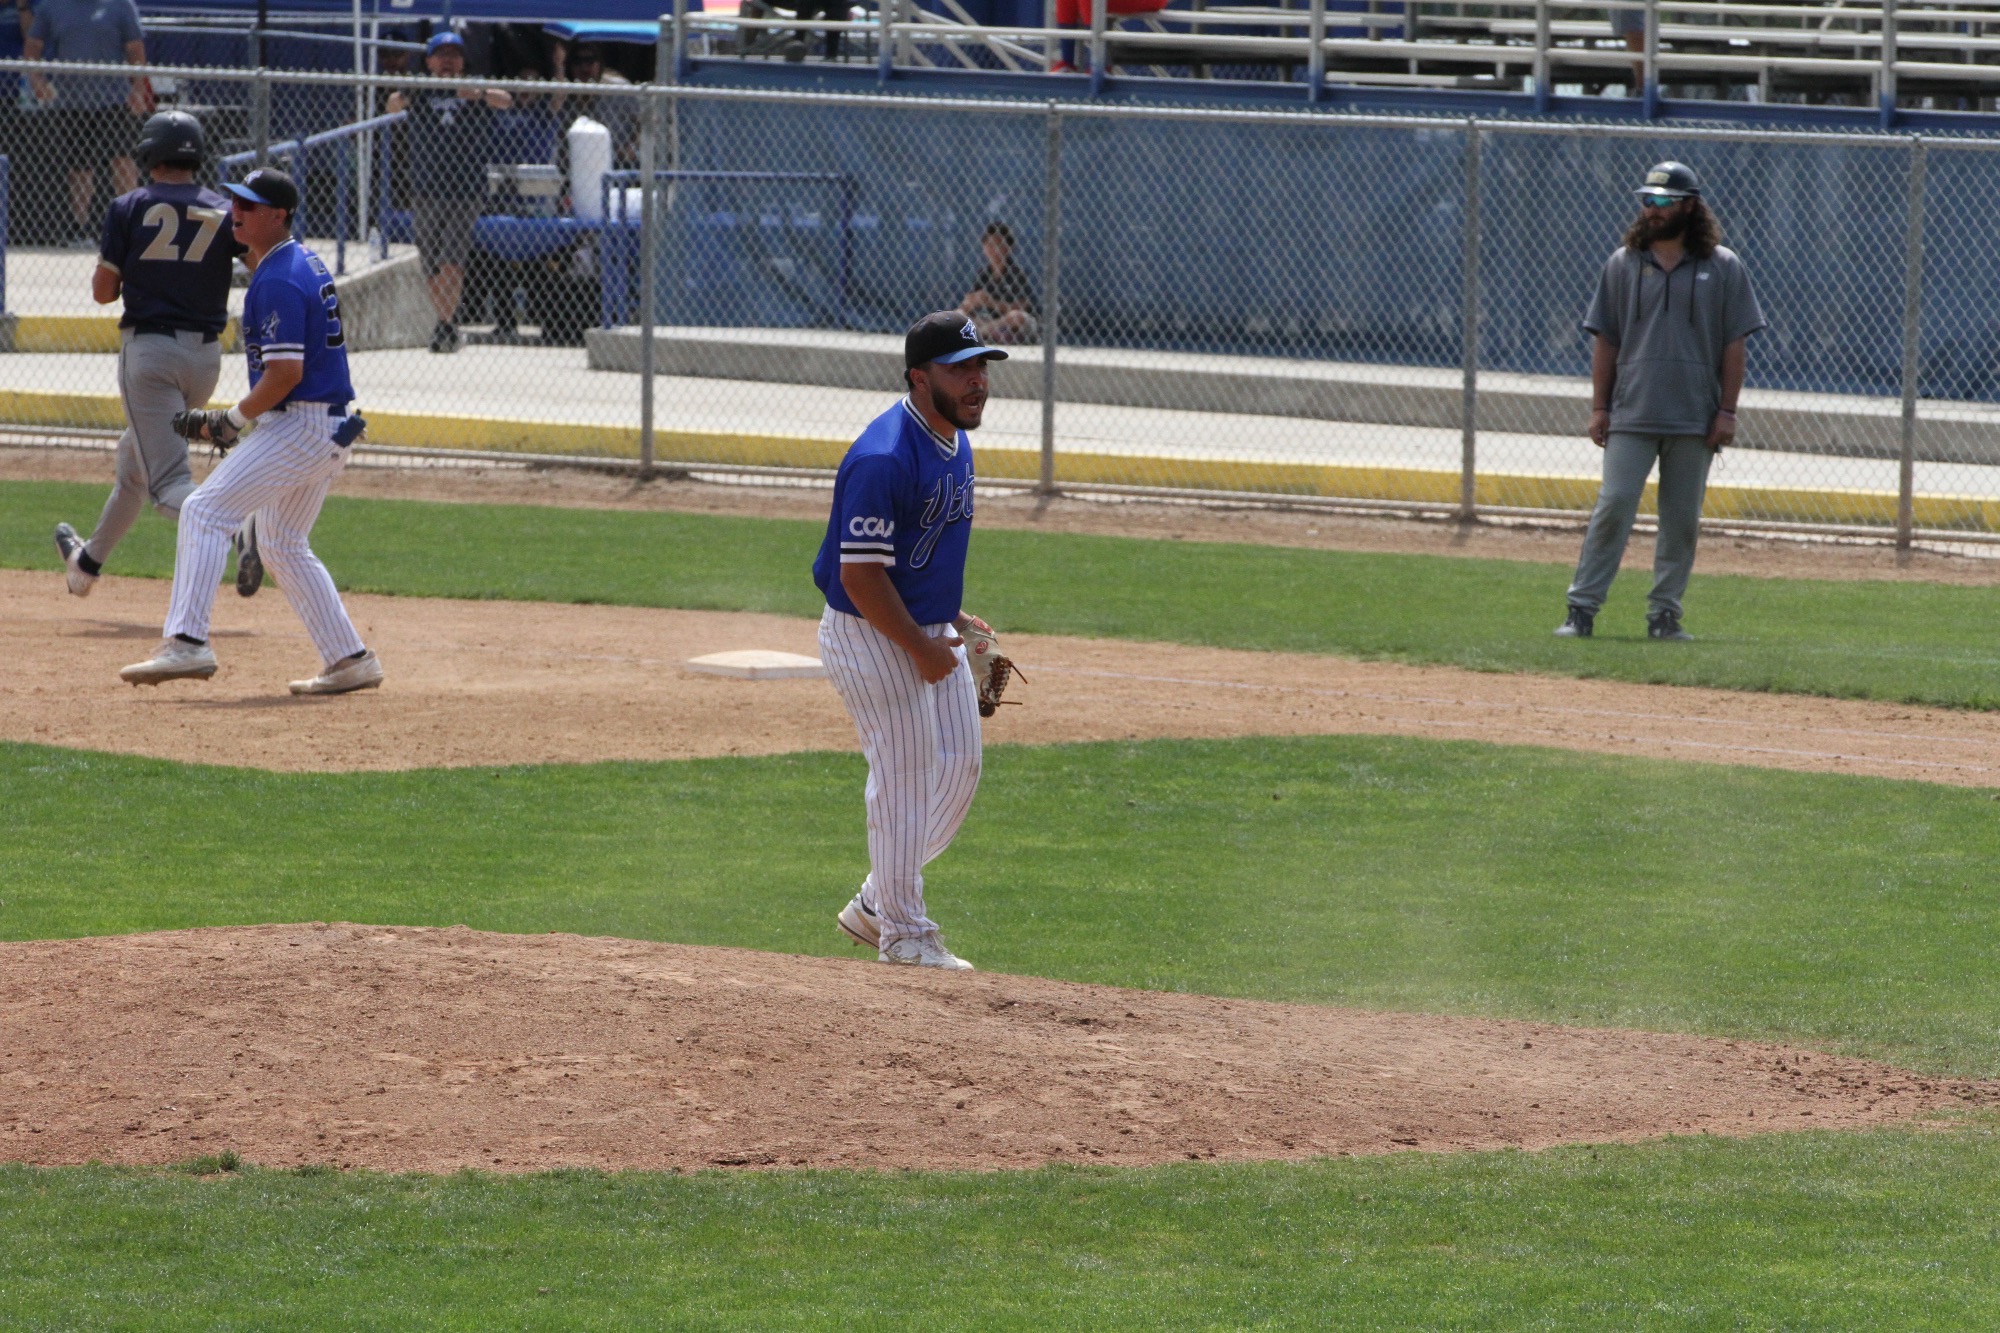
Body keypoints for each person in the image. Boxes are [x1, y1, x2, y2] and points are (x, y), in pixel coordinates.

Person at [120, 168, 385, 697]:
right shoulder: (295, 262)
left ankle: (188, 641)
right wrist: (239, 416)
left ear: (279, 214)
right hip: (322, 426)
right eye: (235, 201)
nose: (236, 211)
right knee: (283, 543)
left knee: (204, 510)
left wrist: (231, 420)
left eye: (250, 205)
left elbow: (286, 374)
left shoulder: (281, 276)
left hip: (303, 424)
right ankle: (350, 659)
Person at [814, 312, 1008, 971]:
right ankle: (904, 934)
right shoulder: (883, 456)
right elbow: (860, 575)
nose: (977, 380)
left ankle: (876, 898)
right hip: (868, 631)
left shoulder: (955, 441)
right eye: (961, 369)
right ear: (920, 379)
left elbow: (918, 555)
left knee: (958, 766)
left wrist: (950, 618)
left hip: (924, 625)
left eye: (981, 366)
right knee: (904, 773)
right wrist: (922, 649)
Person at [53, 110, 264, 603]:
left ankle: (238, 531)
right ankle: (85, 566)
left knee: (168, 484)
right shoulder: (221, 208)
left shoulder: (129, 205)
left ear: (149, 154)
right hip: (205, 360)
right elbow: (259, 266)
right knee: (133, 462)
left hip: (149, 355)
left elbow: (104, 292)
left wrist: (145, 271)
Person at [1555, 161, 1766, 643]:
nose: (1652, 209)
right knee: (1614, 505)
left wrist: (1727, 411)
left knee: (1680, 520)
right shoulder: (1623, 264)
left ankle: (1664, 615)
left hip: (1695, 416)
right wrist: (1599, 407)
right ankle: (1581, 609)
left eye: (1663, 201)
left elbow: (1735, 344)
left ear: (1689, 206)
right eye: (1646, 201)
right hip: (1633, 410)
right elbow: (1605, 339)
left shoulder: (1724, 267)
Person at [385, 31, 512, 354]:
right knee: (430, 260)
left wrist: (478, 93)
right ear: (429, 61)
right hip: (426, 187)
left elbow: (506, 99)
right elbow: (392, 106)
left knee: (452, 258)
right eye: (441, 55)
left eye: (454, 55)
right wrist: (409, 96)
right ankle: (447, 323)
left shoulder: (474, 85)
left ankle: (443, 325)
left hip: (465, 188)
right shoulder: (421, 88)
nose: (448, 61)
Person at [22, 0, 151, 245]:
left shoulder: (121, 5)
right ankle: (79, 230)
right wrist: (37, 82)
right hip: (72, 103)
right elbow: (32, 46)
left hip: (114, 100)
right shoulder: (52, 6)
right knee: (80, 168)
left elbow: (135, 49)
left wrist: (137, 89)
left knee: (123, 160)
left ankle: (131, 224)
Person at [959, 221, 1039, 344]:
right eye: (989, 244)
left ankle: (980, 333)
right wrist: (970, 303)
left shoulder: (1016, 273)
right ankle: (987, 333)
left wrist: (989, 301)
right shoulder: (984, 274)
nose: (994, 249)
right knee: (959, 316)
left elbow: (1022, 306)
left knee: (1016, 316)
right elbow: (968, 305)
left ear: (1008, 248)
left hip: (1015, 324)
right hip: (992, 322)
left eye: (998, 244)